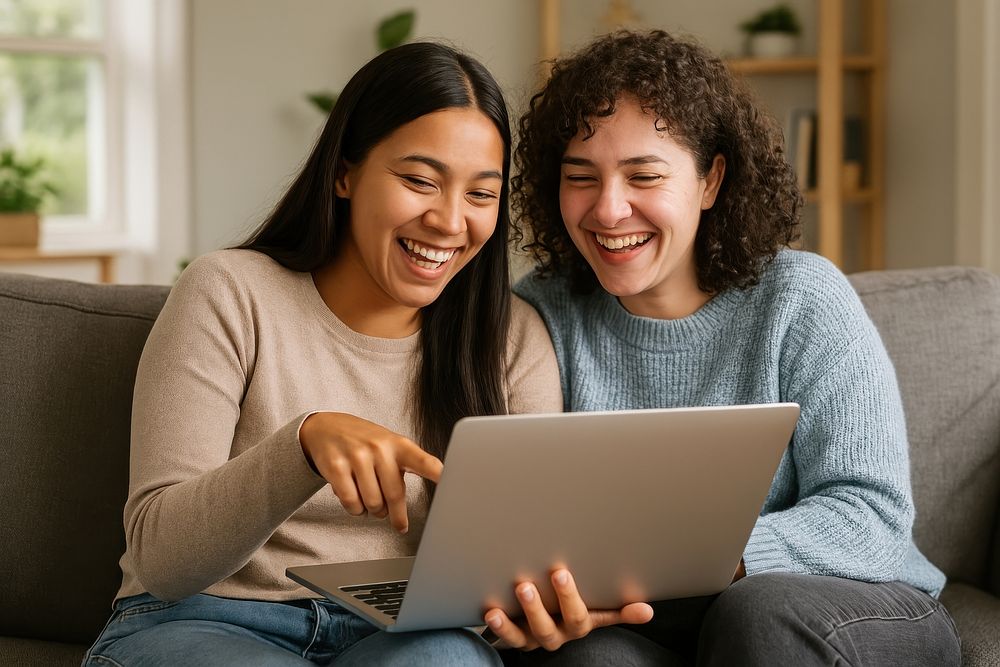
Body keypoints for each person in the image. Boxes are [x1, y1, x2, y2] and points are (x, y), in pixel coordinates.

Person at [80, 42, 634, 666]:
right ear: (345, 172)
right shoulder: (230, 292)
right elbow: (162, 559)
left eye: (481, 194)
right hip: (207, 617)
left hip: (402, 634)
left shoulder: (512, 338)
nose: (450, 222)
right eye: (419, 181)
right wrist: (303, 445)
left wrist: (536, 608)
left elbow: (516, 561)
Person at [509, 30, 962, 666]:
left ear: (711, 180)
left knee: (757, 614)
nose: (608, 210)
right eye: (580, 177)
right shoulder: (542, 309)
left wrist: (698, 552)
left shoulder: (800, 297)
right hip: (658, 621)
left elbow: (873, 519)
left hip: (851, 604)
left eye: (644, 175)